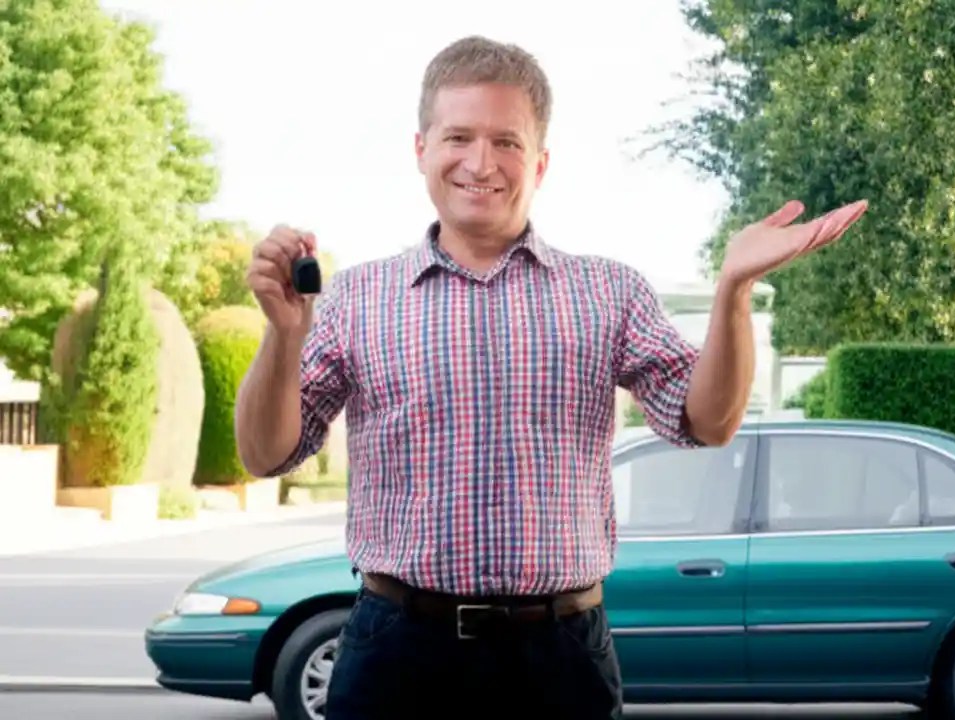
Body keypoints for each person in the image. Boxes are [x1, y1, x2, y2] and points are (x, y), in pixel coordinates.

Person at [235, 35, 867, 719]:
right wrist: (284, 332)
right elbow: (266, 452)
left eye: (506, 141)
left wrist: (733, 290)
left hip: (559, 659)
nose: (481, 162)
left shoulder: (608, 292)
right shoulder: (357, 298)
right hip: (397, 653)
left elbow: (707, 421)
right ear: (421, 149)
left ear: (540, 162)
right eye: (459, 137)